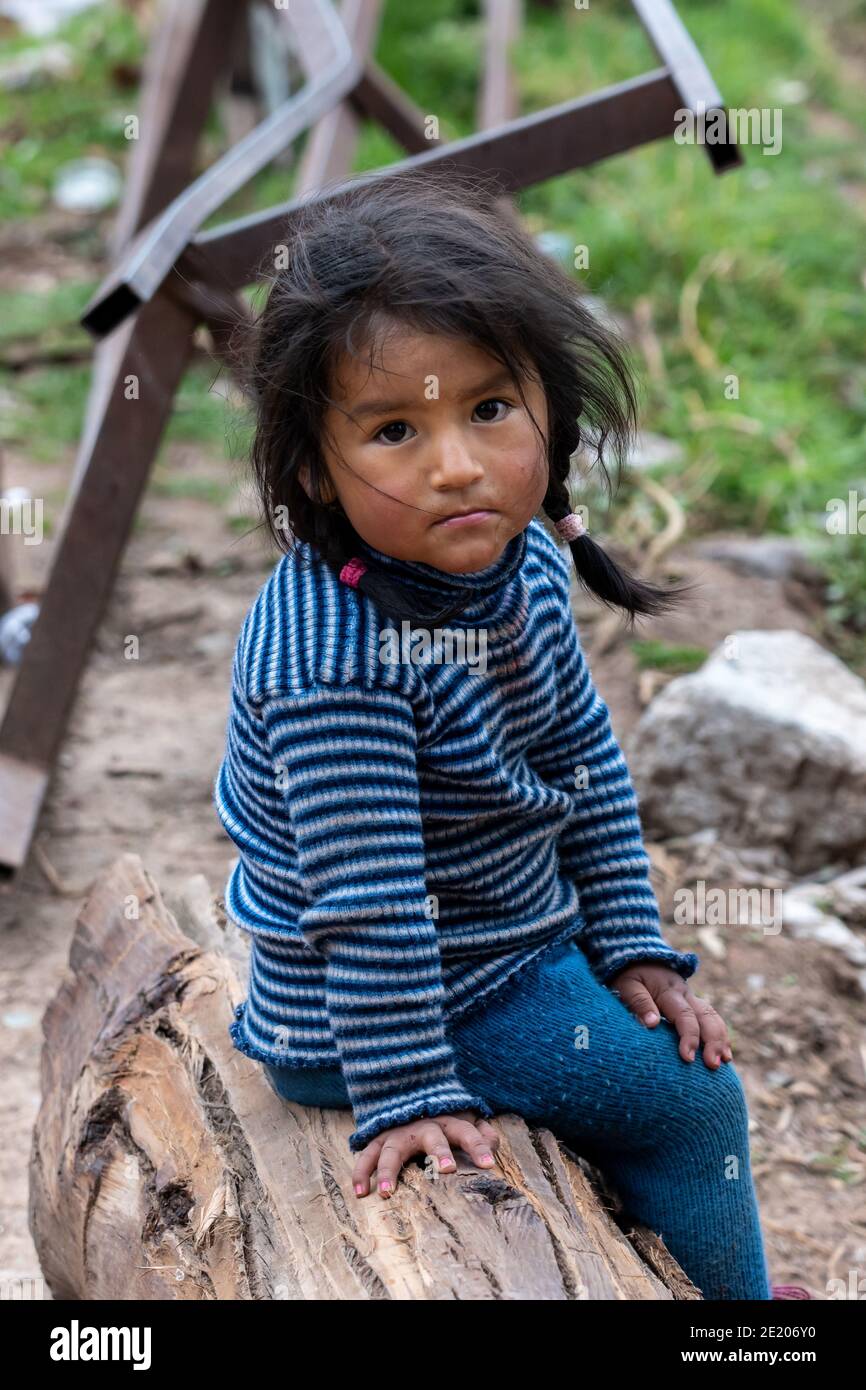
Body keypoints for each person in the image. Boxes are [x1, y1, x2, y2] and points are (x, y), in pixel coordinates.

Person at [213, 165, 783, 1300]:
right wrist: (411, 1088)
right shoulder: (332, 661)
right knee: (689, 1100)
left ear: (546, 410)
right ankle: (743, 1317)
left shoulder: (517, 557)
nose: (457, 465)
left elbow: (580, 757)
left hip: (501, 934)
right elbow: (368, 897)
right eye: (391, 429)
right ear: (315, 469)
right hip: (382, 1008)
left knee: (657, 1037)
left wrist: (627, 940)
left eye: (485, 408)